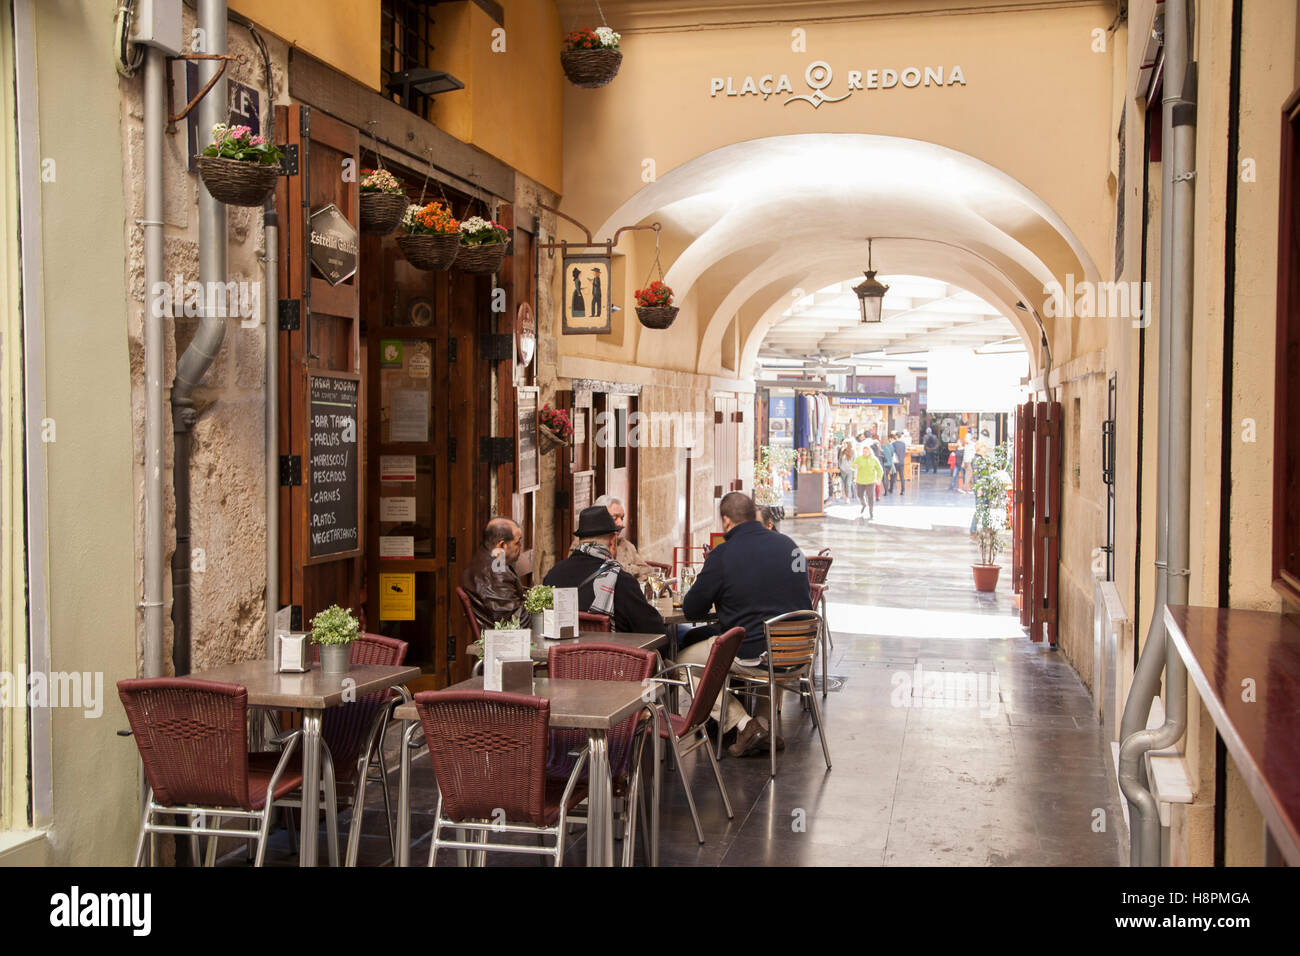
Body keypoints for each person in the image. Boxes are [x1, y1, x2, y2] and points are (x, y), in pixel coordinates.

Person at [680, 492, 812, 756]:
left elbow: (692, 610)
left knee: (681, 663)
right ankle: (763, 727)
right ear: (755, 516)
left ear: (726, 522)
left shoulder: (723, 555)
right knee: (770, 641)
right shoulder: (790, 546)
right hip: (797, 652)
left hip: (754, 655)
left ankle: (744, 724)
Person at [546, 505, 664, 634]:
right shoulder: (621, 581)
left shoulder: (553, 575)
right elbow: (655, 630)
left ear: (580, 540)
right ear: (613, 541)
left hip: (562, 653)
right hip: (613, 653)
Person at [459, 517, 531, 629]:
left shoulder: (486, 560)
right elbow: (516, 622)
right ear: (502, 545)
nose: (521, 547)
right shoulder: (495, 573)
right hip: (507, 642)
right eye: (517, 543)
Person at [568, 494, 656, 580]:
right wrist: (628, 569)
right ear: (599, 519)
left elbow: (648, 572)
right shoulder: (583, 544)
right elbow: (590, 572)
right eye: (615, 518)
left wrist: (626, 569)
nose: (621, 524)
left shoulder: (625, 545)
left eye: (622, 518)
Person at [852, 442, 884, 519]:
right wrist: (854, 466)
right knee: (859, 495)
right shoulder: (859, 458)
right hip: (860, 480)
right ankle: (863, 504)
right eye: (863, 451)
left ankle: (871, 510)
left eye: (866, 451)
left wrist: (879, 478)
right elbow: (853, 465)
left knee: (870, 496)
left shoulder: (874, 459)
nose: (864, 453)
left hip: (870, 481)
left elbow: (880, 470)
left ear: (870, 452)